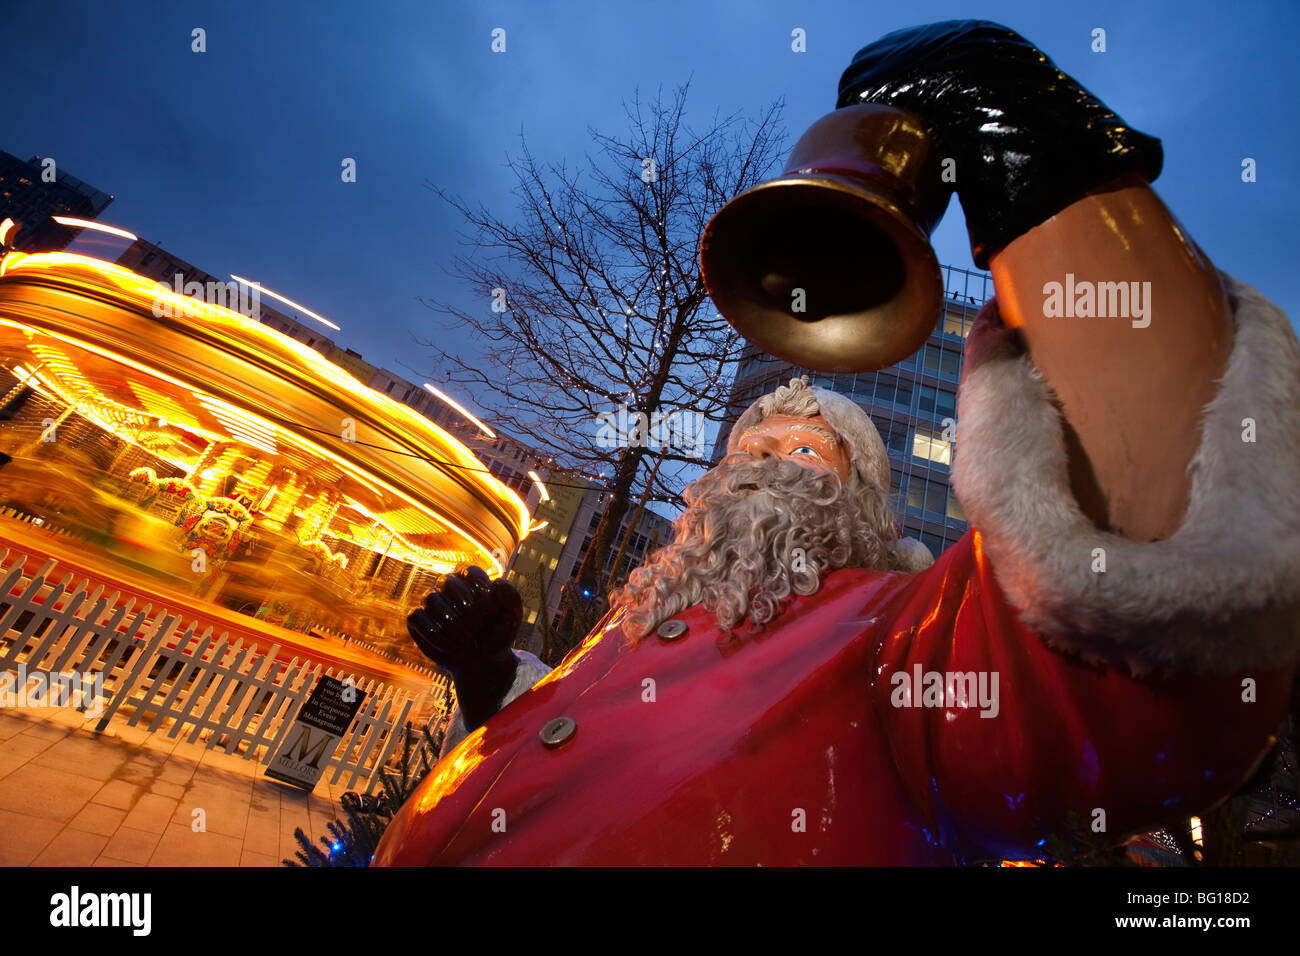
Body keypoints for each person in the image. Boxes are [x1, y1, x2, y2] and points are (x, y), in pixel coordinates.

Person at [376, 20, 1300, 865]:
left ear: (861, 499)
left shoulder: (897, 639)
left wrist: (1032, 150)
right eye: (755, 441)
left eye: (809, 452)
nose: (768, 456)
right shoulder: (639, 615)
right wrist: (491, 678)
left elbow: (1144, 576)